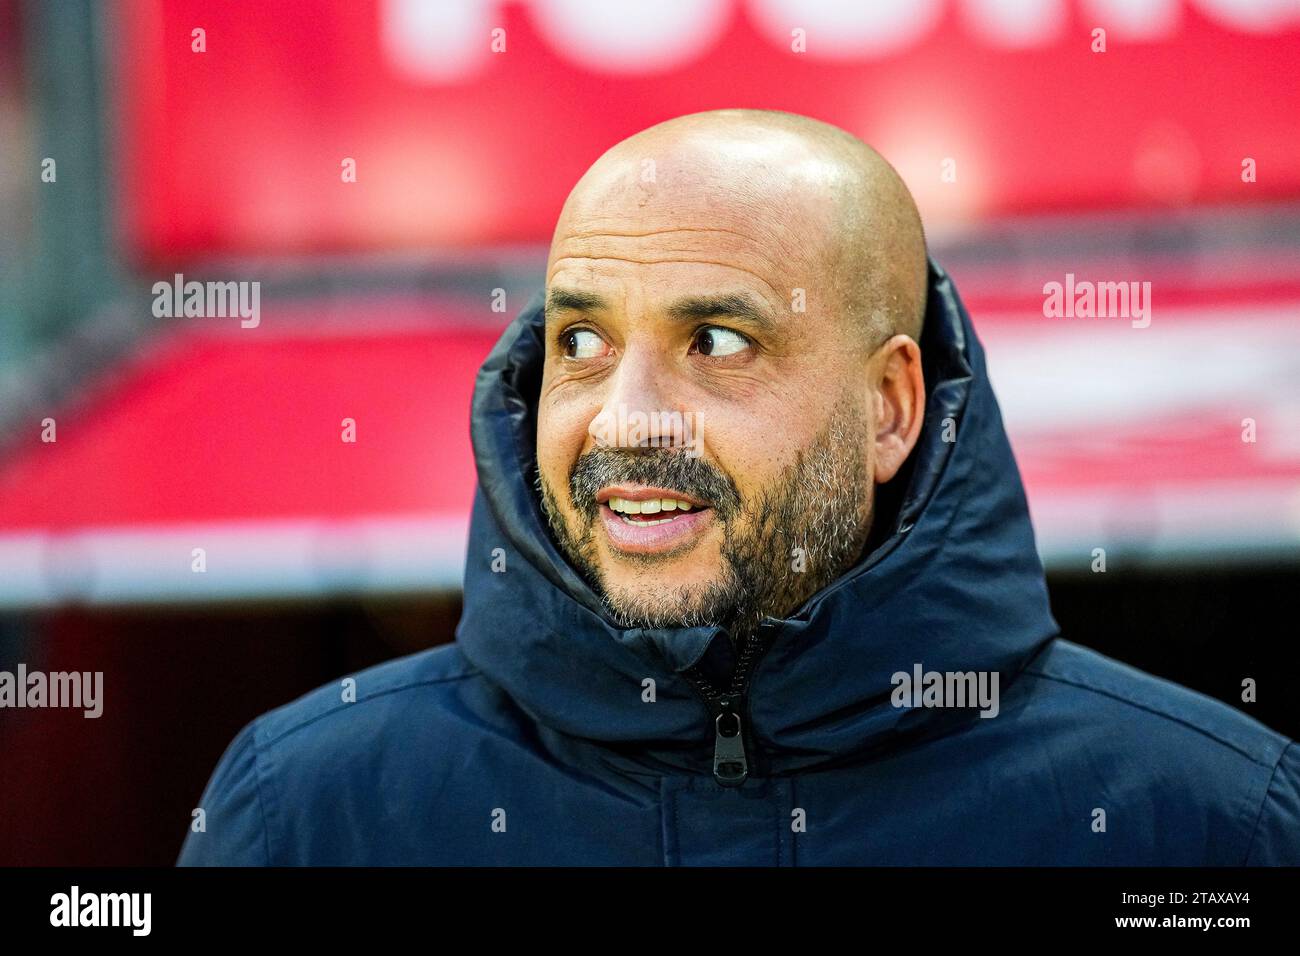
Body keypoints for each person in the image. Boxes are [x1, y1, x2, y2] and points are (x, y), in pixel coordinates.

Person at [179, 109, 1299, 865]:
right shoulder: (312, 811)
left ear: (890, 408)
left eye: (716, 341)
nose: (624, 420)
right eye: (580, 339)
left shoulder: (1204, 819)